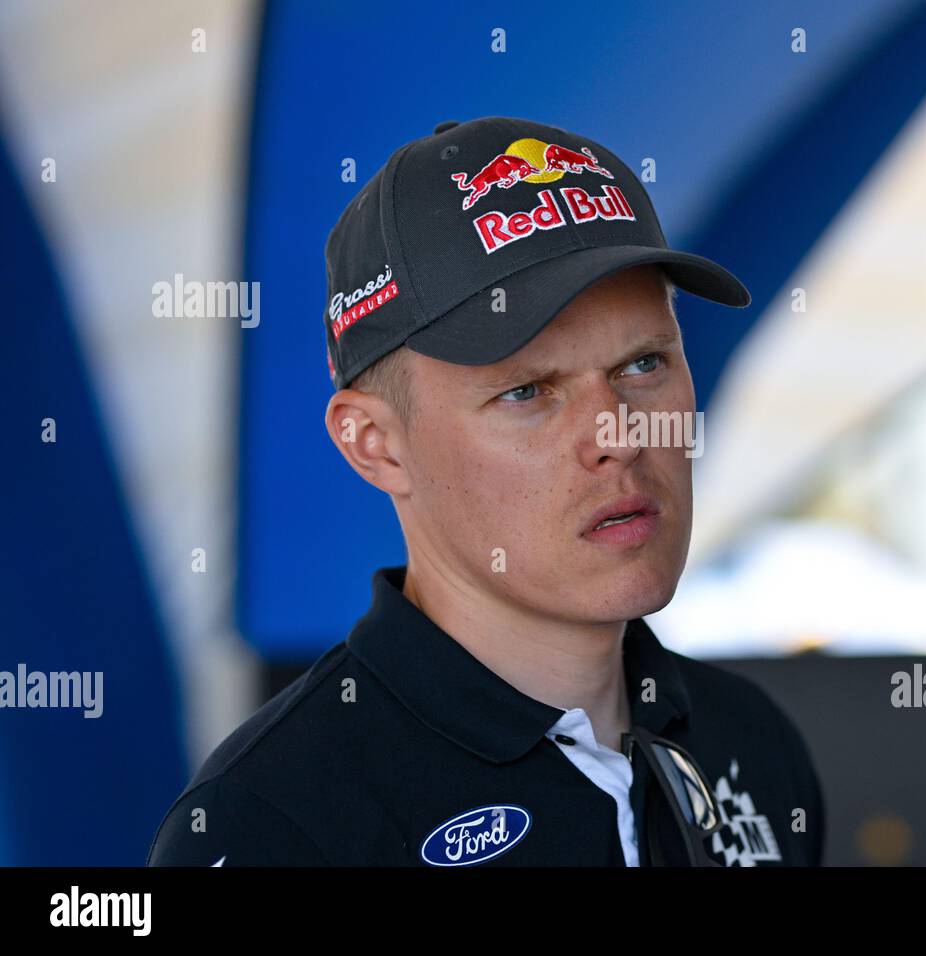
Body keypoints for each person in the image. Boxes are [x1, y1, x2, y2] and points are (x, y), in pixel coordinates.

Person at [147, 116, 824, 866]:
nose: (621, 436)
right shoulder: (274, 823)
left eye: (643, 364)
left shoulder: (753, 745)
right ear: (375, 445)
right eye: (528, 390)